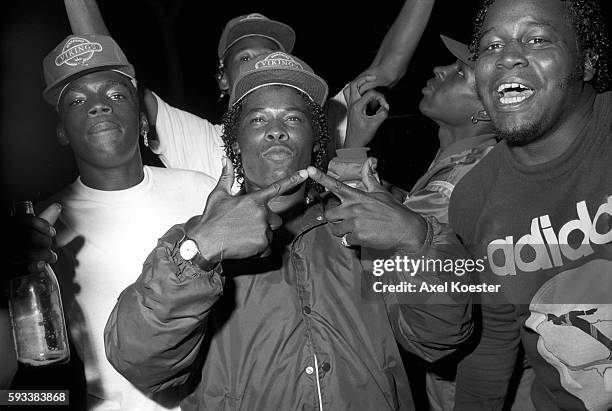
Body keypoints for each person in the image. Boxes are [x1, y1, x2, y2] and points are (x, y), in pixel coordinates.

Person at [104, 51, 472, 410]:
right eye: (258, 120)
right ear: (234, 143)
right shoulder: (191, 244)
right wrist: (200, 251)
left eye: (293, 120)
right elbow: (139, 360)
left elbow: (442, 338)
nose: (277, 131)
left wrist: (417, 238)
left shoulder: (370, 226)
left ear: (315, 143)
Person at [4, 33, 217, 410]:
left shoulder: (202, 192)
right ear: (61, 132)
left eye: (116, 95)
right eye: (78, 101)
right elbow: (17, 393)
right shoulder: (35, 230)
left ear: (141, 119)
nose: (99, 107)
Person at [446, 0, 612, 409]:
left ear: (588, 62)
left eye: (536, 39)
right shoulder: (472, 199)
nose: (507, 58)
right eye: (491, 47)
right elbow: (494, 345)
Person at [65, 0, 434, 177]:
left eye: (269, 57)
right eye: (244, 60)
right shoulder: (200, 141)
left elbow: (385, 70)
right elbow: (111, 72)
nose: (260, 66)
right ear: (222, 79)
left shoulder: (316, 124)